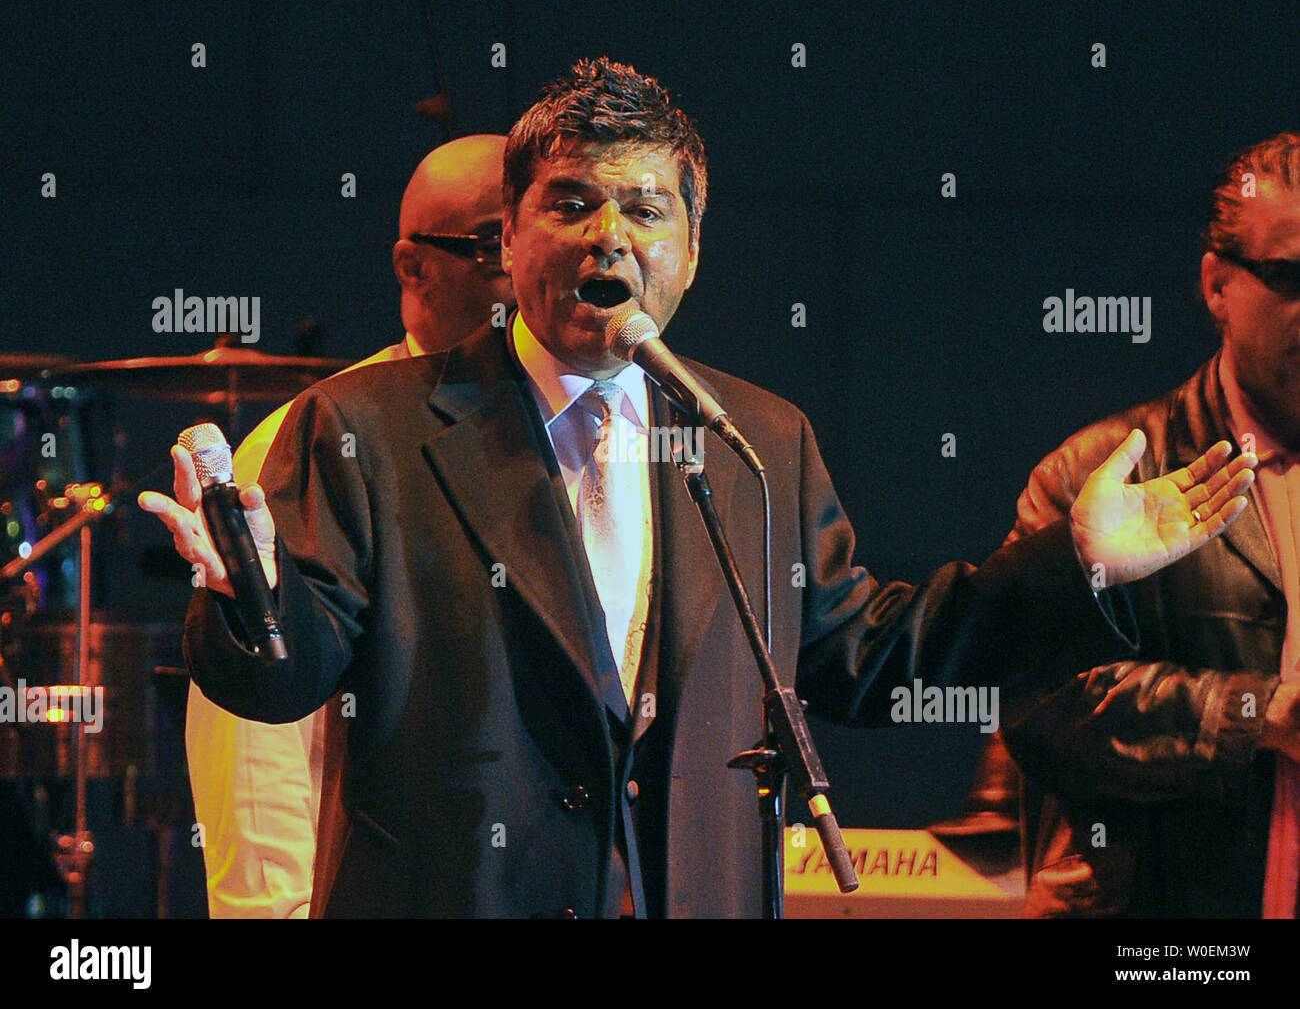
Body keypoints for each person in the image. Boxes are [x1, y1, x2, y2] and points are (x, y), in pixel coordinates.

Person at [143, 59, 1255, 918]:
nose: (606, 236)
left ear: (690, 248)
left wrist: (1080, 566)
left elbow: (870, 658)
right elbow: (290, 674)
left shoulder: (752, 435)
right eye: (568, 203)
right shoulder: (370, 428)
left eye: (643, 209)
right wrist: (246, 599)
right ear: (512, 235)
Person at [184, 134, 515, 918]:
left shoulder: (565, 439)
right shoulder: (317, 436)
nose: (529, 270)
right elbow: (257, 759)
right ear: (412, 267)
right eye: (496, 244)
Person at [1002, 132, 1300, 918]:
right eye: (1289, 277)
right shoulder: (1103, 474)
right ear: (1215, 285)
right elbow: (1036, 701)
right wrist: (1260, 714)